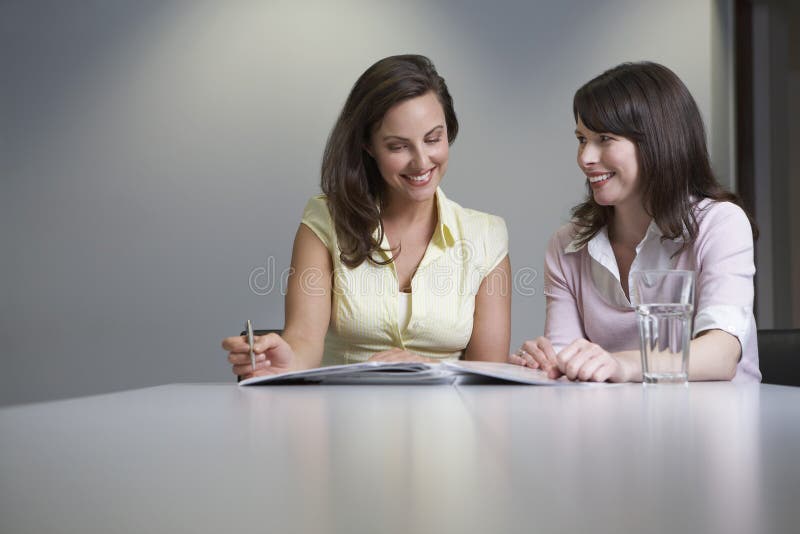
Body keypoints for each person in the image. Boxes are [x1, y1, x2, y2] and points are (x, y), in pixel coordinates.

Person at [224, 55, 510, 379]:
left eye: (433, 139)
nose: (421, 162)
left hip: (450, 423)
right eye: (398, 146)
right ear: (368, 146)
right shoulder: (325, 221)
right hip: (344, 419)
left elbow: (490, 373)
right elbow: (303, 339)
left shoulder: (486, 235)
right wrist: (284, 360)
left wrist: (434, 368)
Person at [510, 61, 760, 383]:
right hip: (616, 427)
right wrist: (548, 364)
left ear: (656, 141)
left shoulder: (720, 223)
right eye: (582, 139)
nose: (585, 157)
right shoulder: (566, 245)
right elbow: (567, 364)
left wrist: (621, 364)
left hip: (715, 424)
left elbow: (721, 355)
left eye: (604, 138)